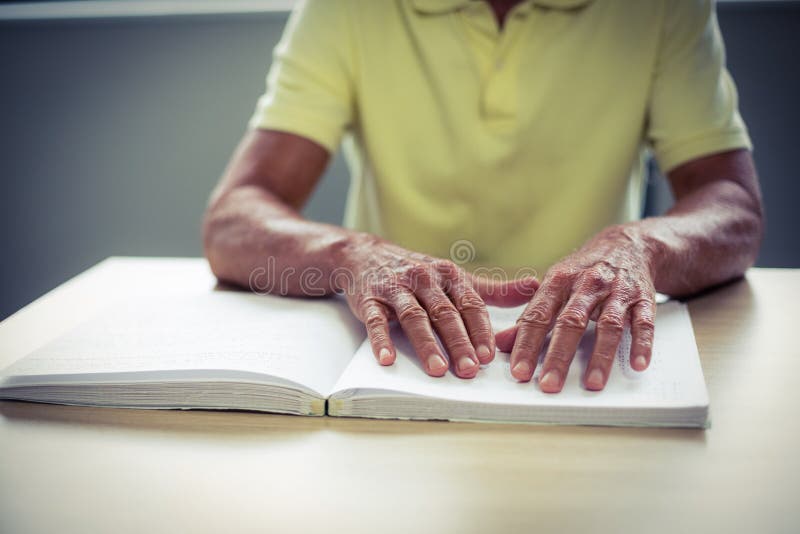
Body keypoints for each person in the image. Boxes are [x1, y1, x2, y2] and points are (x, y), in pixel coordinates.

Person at [202, 0, 763, 393]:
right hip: (398, 366)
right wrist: (356, 257)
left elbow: (733, 203)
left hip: (582, 360)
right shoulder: (348, 6)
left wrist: (637, 247)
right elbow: (234, 216)